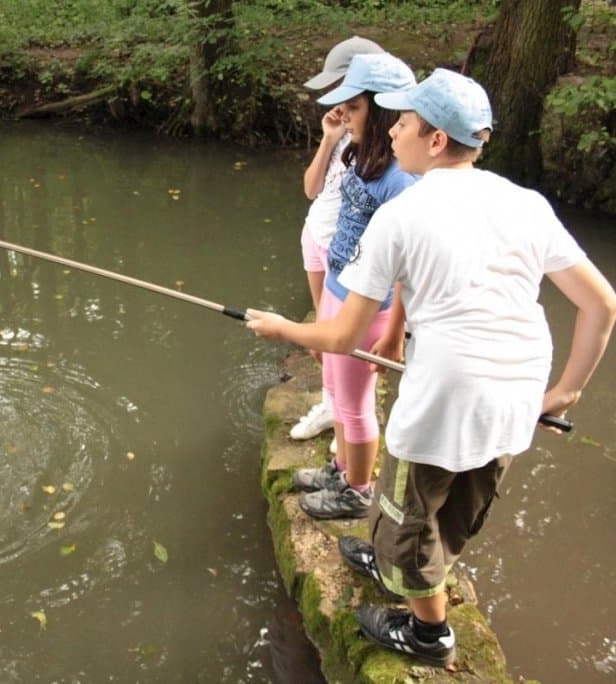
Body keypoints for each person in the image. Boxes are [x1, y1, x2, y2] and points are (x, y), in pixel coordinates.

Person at [246, 68, 616, 667]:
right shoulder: (523, 201)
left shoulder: (403, 215)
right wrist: (567, 391)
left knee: (410, 509)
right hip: (519, 389)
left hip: (447, 396)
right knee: (462, 503)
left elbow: (341, 334)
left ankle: (427, 632)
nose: (393, 133)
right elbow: (601, 303)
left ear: (437, 139)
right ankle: (398, 564)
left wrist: (280, 327)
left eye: (406, 123)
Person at [288, 52, 418, 521]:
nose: (344, 114)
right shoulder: (359, 151)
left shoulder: (402, 179)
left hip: (370, 308)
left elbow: (407, 265)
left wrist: (395, 331)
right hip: (339, 286)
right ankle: (342, 469)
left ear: (383, 112)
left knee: (357, 404)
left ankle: (357, 491)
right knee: (337, 393)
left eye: (355, 107)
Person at [290, 36, 385, 453]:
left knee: (346, 342)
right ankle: (334, 406)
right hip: (316, 237)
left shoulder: (387, 143)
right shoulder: (341, 130)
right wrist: (329, 138)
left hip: (347, 254)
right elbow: (311, 190)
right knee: (318, 343)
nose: (339, 103)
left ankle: (354, 419)